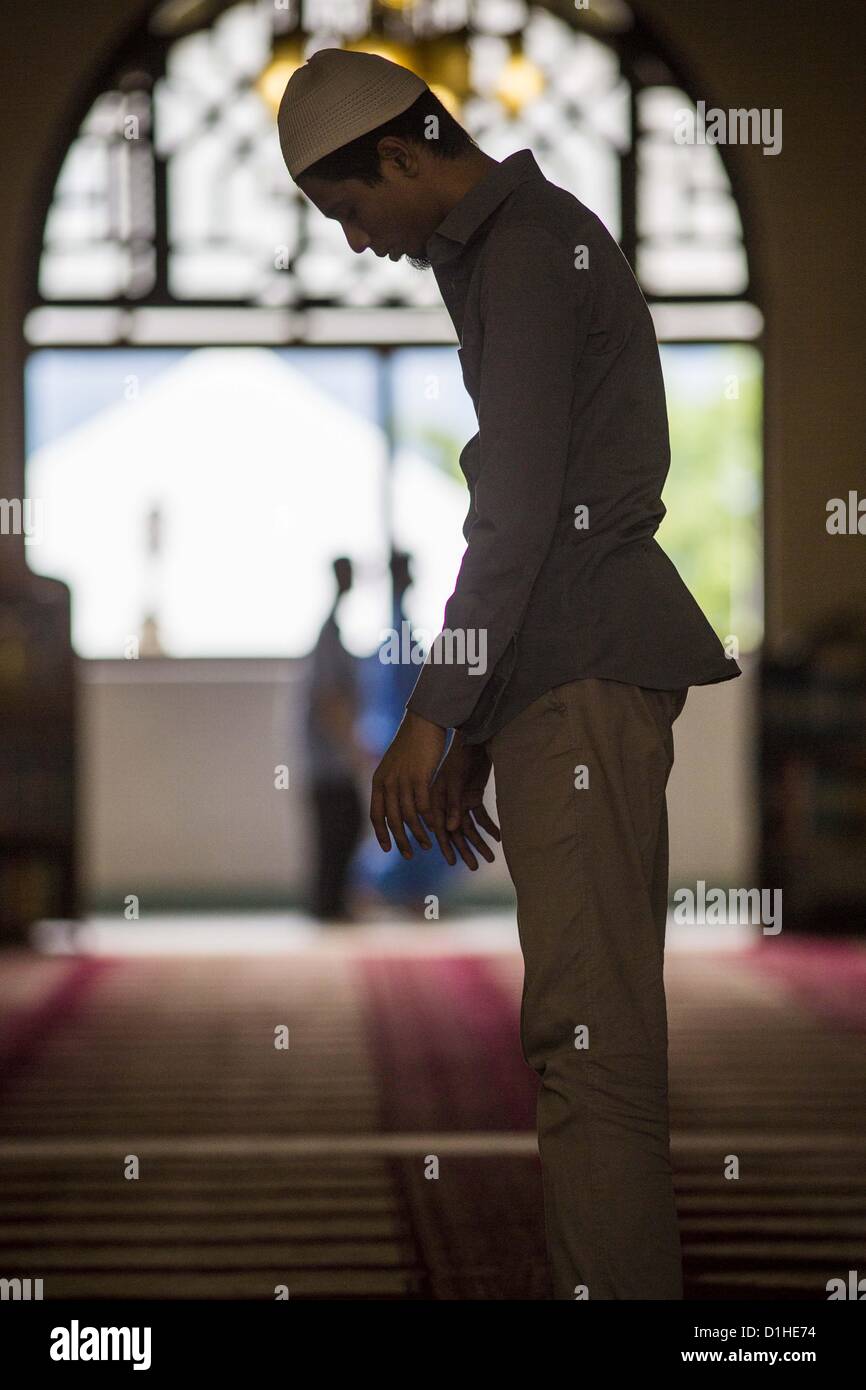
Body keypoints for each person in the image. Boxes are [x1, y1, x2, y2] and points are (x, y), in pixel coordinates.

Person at [277, 49, 742, 1299]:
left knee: (588, 1045)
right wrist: (480, 720)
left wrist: (434, 711)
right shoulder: (500, 250)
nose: (356, 242)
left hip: (586, 657)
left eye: (349, 209)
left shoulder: (529, 248)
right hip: (566, 665)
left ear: (399, 153)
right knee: (585, 1032)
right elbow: (533, 506)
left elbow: (521, 513)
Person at [303, 555, 366, 922]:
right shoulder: (329, 636)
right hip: (327, 763)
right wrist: (352, 747)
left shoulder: (333, 633)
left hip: (328, 761)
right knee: (337, 831)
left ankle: (333, 905)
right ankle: (329, 907)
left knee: (341, 831)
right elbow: (328, 698)